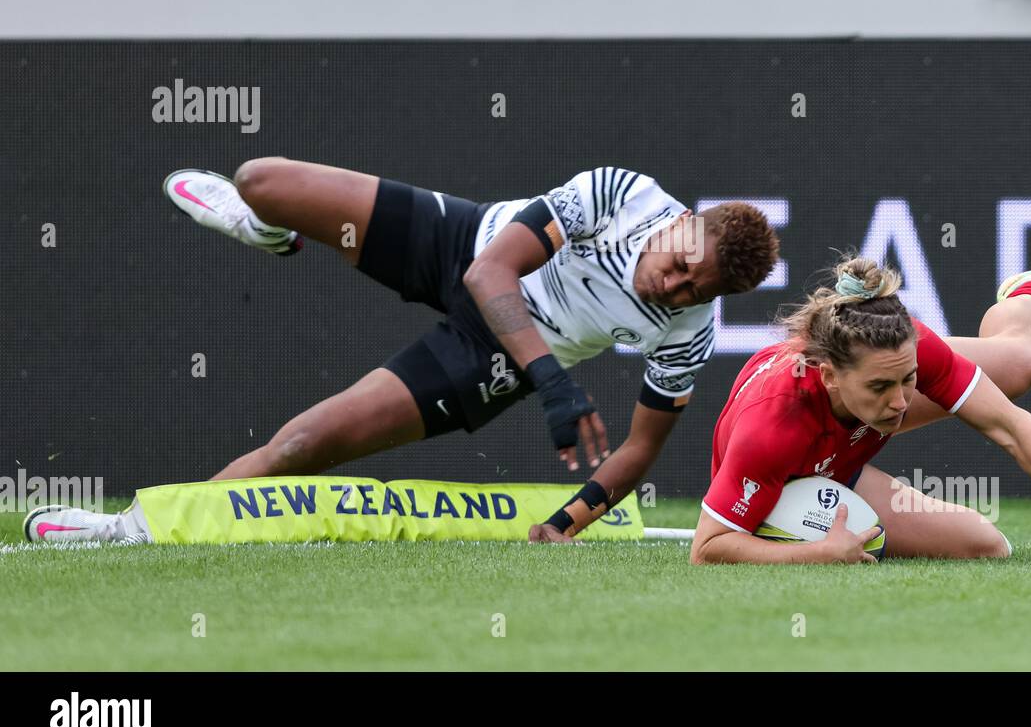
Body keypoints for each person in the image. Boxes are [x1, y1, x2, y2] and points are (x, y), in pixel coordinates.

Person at [23, 159, 779, 543]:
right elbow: (491, 272)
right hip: (468, 248)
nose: (672, 289)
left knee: (303, 442)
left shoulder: (689, 328)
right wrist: (553, 383)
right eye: (679, 266)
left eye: (692, 291)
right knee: (258, 181)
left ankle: (129, 531)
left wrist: (567, 521)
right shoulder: (622, 193)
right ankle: (271, 231)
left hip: (492, 357)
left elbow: (641, 451)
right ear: (685, 223)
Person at [689, 252, 1031, 564]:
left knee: (1024, 364)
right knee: (984, 545)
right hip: (789, 476)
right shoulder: (771, 427)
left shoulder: (907, 348)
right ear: (830, 375)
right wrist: (816, 553)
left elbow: (1008, 427)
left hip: (837, 446)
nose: (900, 403)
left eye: (909, 380)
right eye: (881, 385)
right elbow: (707, 548)